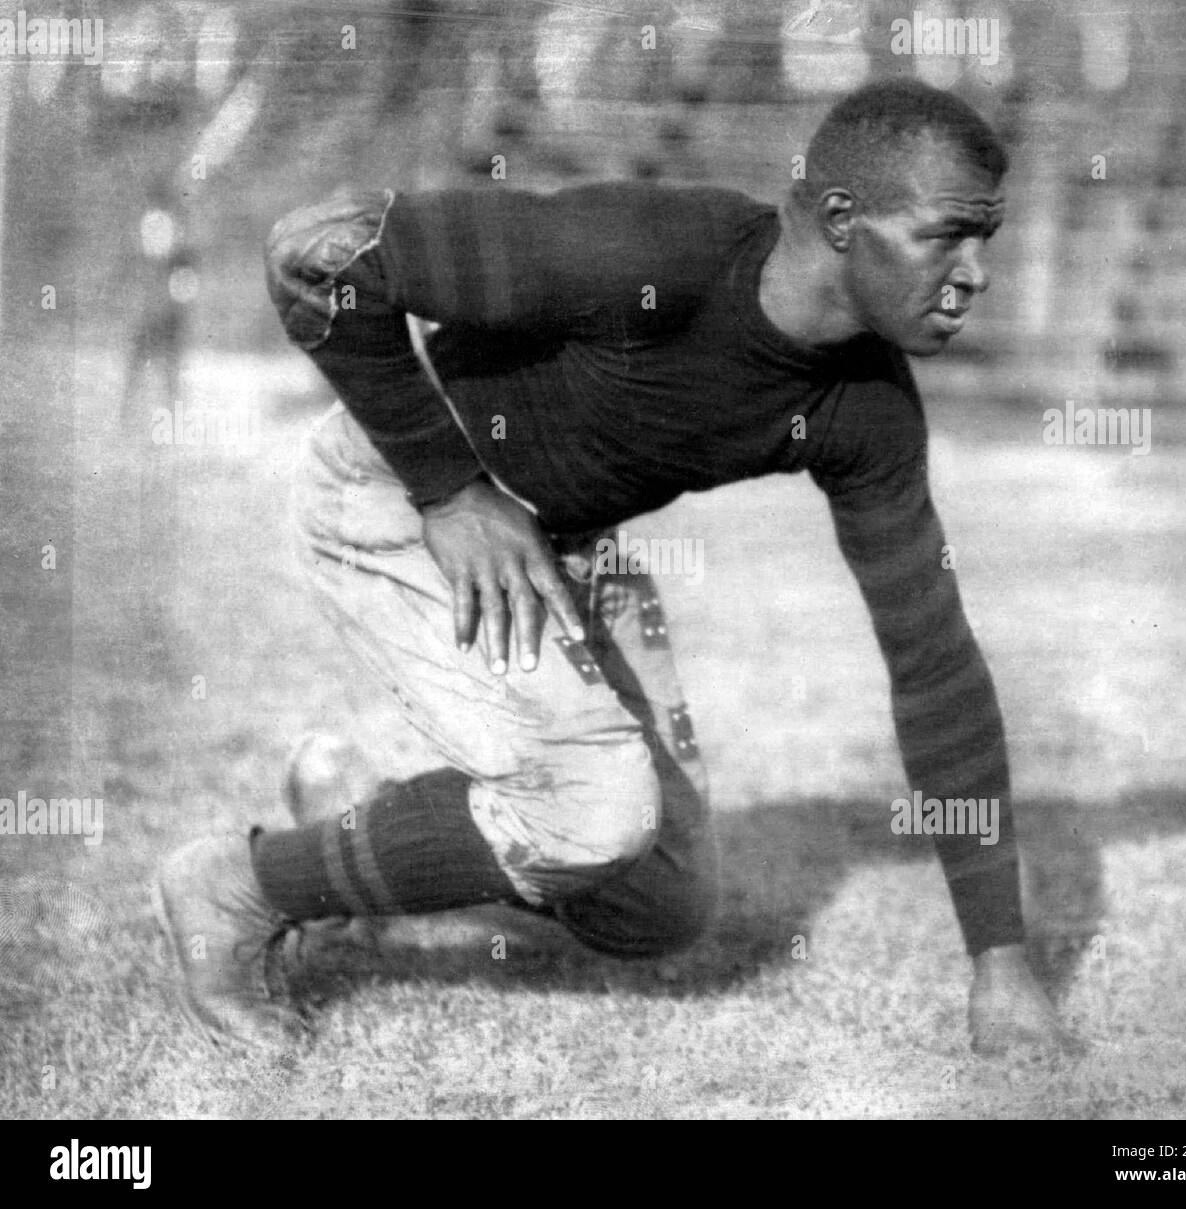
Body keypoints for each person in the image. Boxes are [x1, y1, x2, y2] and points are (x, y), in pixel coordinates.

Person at [154, 78, 1064, 1056]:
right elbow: (320, 255)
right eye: (949, 235)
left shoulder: (867, 407)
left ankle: (366, 815)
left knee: (661, 902)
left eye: (987, 241)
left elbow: (933, 665)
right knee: (593, 815)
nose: (975, 273)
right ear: (842, 219)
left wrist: (999, 959)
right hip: (399, 491)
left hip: (556, 538)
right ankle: (234, 888)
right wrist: (451, 488)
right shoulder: (650, 255)